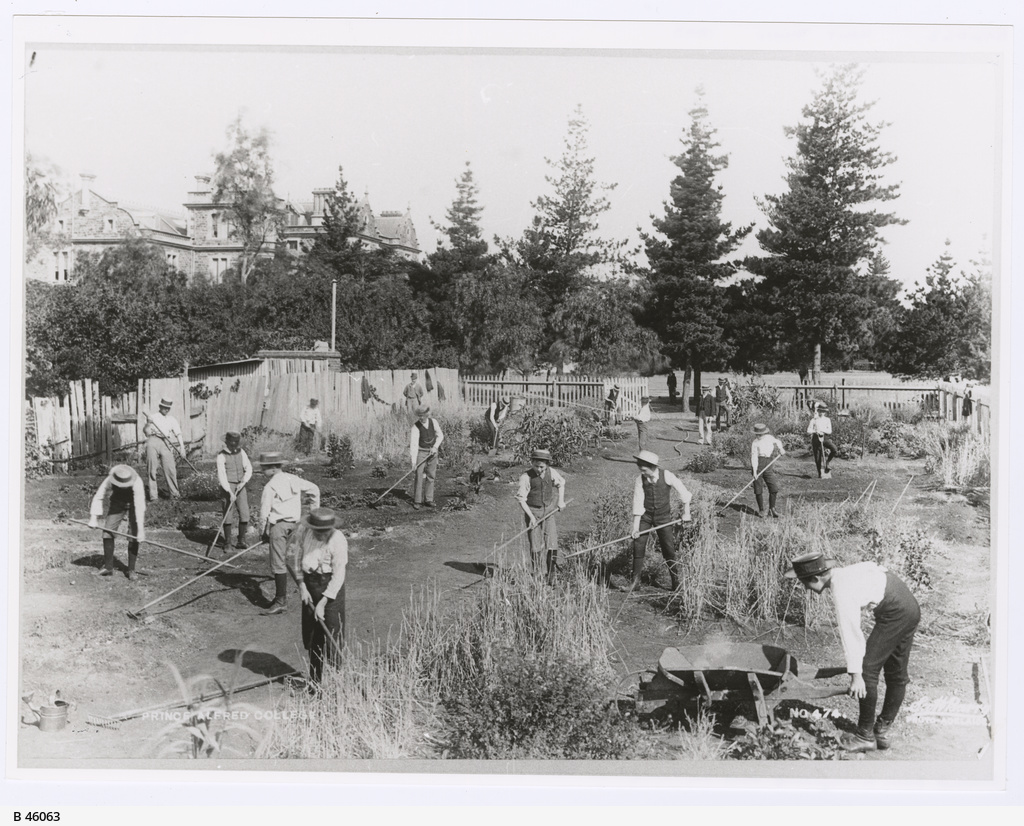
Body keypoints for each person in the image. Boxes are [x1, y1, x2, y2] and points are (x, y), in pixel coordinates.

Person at [786, 551, 921, 753]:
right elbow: (875, 566)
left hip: (896, 612)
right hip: (909, 605)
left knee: (867, 670)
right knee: (896, 674)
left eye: (805, 583)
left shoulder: (841, 588)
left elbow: (851, 633)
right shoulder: (843, 573)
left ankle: (865, 736)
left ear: (816, 578)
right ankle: (881, 732)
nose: (805, 587)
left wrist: (856, 675)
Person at [287, 507, 348, 687]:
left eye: (323, 532)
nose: (319, 535)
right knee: (313, 635)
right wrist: (302, 586)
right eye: (317, 531)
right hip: (310, 586)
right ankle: (315, 681)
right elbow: (296, 559)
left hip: (330, 590)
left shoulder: (338, 540)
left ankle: (337, 683)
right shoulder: (306, 534)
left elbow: (339, 575)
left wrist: (323, 602)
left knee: (332, 634)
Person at [258, 452, 321, 616]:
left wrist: (262, 532)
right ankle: (288, 596)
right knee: (290, 559)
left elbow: (264, 513)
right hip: (295, 525)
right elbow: (314, 489)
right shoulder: (293, 479)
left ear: (272, 469)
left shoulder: (269, 487)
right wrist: (313, 513)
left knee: (278, 562)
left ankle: (281, 602)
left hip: (278, 527)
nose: (262, 472)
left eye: (263, 468)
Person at [623, 450, 692, 592]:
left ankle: (676, 583)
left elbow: (684, 493)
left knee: (668, 549)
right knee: (638, 545)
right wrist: (635, 528)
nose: (642, 470)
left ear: (652, 467)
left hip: (663, 517)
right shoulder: (640, 479)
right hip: (646, 516)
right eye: (640, 467)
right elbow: (638, 503)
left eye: (644, 468)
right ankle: (635, 583)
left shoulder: (666, 475)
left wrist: (686, 513)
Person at [515, 448, 567, 584]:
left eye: (542, 467)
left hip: (549, 512)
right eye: (536, 466)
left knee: (552, 543)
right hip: (533, 512)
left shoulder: (551, 473)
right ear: (532, 463)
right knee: (536, 545)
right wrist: (531, 518)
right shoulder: (526, 477)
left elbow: (561, 484)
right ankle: (537, 574)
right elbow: (521, 499)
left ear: (547, 465)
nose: (539, 469)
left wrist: (561, 501)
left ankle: (551, 575)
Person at [88, 464, 146, 580]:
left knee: (133, 535)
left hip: (134, 504)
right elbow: (99, 495)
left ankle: (131, 570)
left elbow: (140, 506)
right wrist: (93, 518)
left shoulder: (137, 482)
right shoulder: (110, 479)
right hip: (117, 502)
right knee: (107, 531)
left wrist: (140, 531)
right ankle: (108, 567)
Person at [215, 431, 253, 552]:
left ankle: (241, 540)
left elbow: (249, 468)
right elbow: (222, 475)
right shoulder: (221, 456)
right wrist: (229, 492)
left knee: (244, 513)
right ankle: (227, 543)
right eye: (231, 443)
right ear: (226, 442)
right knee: (228, 514)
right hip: (228, 485)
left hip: (240, 485)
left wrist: (243, 482)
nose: (233, 446)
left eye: (235, 444)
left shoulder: (242, 452)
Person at [144, 397, 186, 500]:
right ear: (160, 406)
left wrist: (182, 447)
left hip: (166, 442)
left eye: (168, 408)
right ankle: (153, 496)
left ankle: (175, 494)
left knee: (170, 468)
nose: (166, 409)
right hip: (153, 440)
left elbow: (178, 433)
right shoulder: (152, 417)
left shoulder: (172, 419)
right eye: (164, 407)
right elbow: (147, 432)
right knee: (152, 469)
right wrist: (148, 423)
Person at [409, 405, 445, 510]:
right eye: (419, 415)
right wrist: (413, 462)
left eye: (423, 415)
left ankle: (429, 499)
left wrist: (435, 447)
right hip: (421, 452)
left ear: (427, 414)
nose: (421, 417)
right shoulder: (415, 427)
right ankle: (417, 501)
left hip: (433, 452)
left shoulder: (433, 422)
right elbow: (414, 445)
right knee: (419, 475)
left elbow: (440, 435)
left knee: (431, 475)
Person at [750, 423, 786, 518]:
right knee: (758, 489)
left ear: (764, 433)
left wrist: (781, 449)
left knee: (774, 488)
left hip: (769, 462)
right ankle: (761, 510)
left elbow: (778, 442)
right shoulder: (755, 442)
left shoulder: (769, 438)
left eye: (760, 434)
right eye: (757, 434)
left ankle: (772, 509)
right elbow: (754, 457)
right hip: (758, 464)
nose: (759, 436)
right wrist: (754, 472)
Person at [807, 402, 838, 479]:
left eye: (823, 412)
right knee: (818, 457)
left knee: (834, 449)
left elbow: (829, 431)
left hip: (825, 438)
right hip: (816, 439)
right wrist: (815, 431)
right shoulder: (813, 420)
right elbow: (808, 430)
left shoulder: (827, 420)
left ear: (825, 412)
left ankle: (827, 463)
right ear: (818, 411)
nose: (822, 413)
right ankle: (820, 473)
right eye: (820, 411)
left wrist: (822, 430)